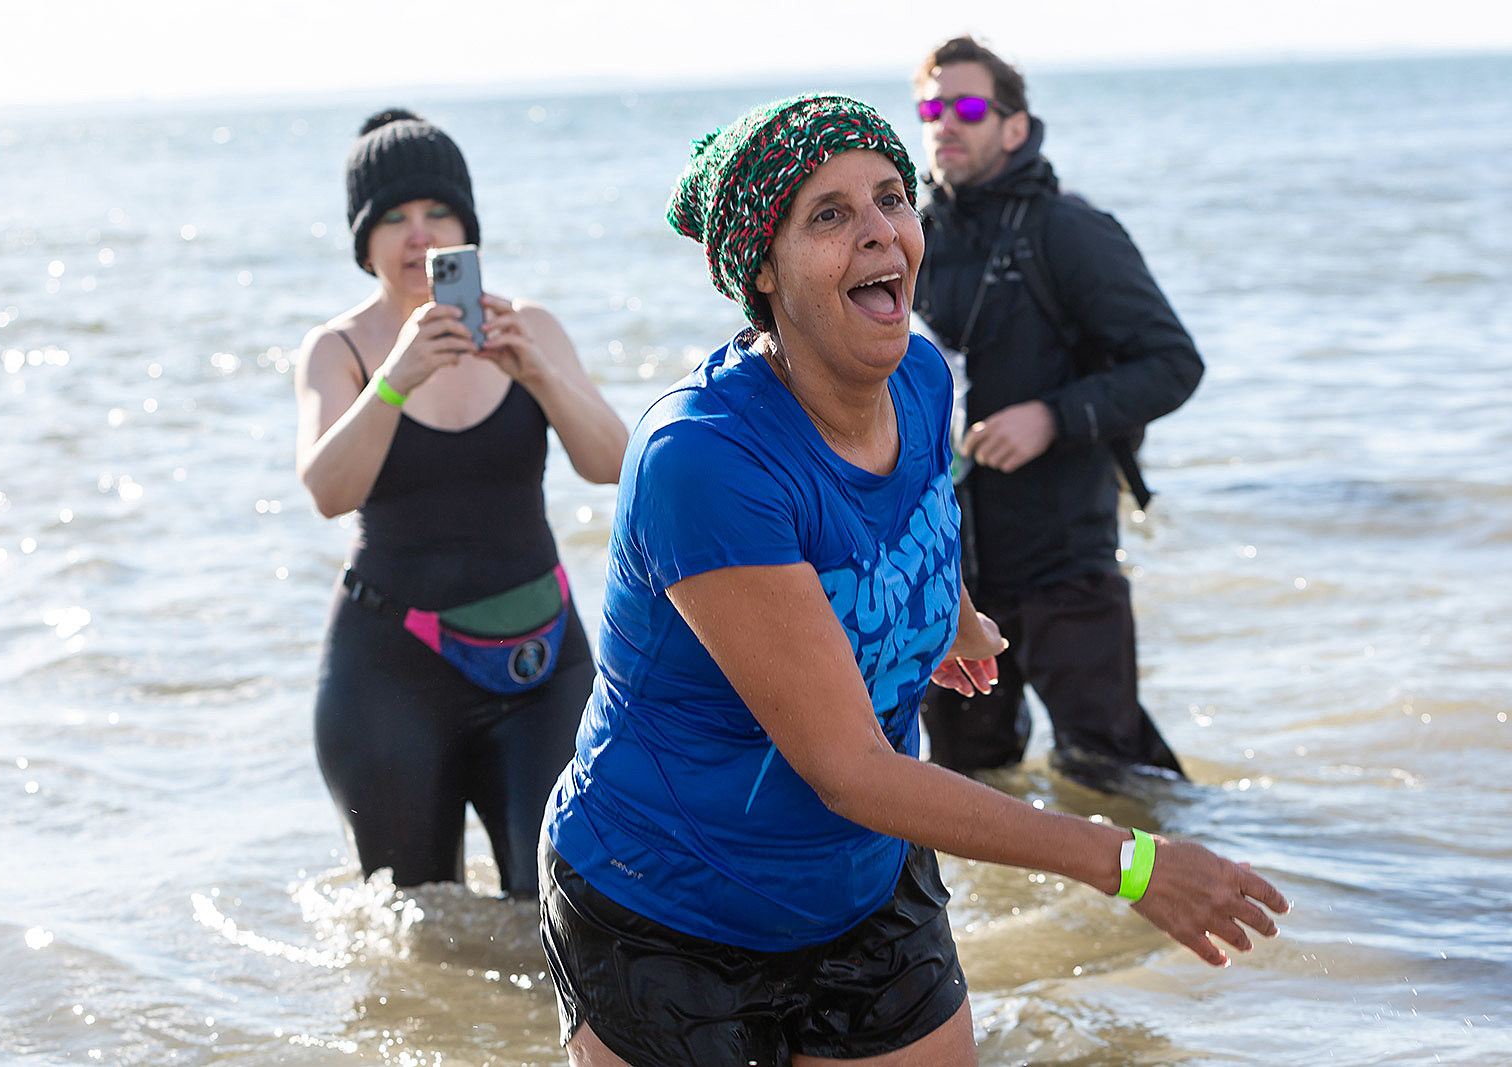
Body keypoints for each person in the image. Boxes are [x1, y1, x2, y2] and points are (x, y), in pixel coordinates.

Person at [538, 94, 1287, 1067]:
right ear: (761, 269)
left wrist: (949, 619)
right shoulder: (703, 459)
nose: (880, 230)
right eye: (829, 213)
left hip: (861, 879)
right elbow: (846, 768)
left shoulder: (921, 376)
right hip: (667, 901)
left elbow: (912, 513)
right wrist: (1129, 859)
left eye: (891, 196)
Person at [294, 109, 628, 897]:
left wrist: (538, 373)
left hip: (542, 656)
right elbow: (326, 490)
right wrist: (395, 378)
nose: (419, 236)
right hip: (389, 672)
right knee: (419, 926)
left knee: (569, 899)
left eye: (437, 212)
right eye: (394, 218)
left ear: (466, 227)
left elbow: (615, 462)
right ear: (363, 240)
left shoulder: (531, 326)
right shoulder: (336, 350)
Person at [912, 35, 1206, 789]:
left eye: (969, 105)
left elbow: (1174, 364)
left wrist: (1051, 417)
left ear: (1014, 126)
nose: (947, 120)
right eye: (933, 106)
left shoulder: (1068, 230)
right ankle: (1011, 912)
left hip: (1065, 560)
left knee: (1114, 774)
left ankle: (1162, 894)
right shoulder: (909, 236)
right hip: (949, 572)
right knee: (967, 783)